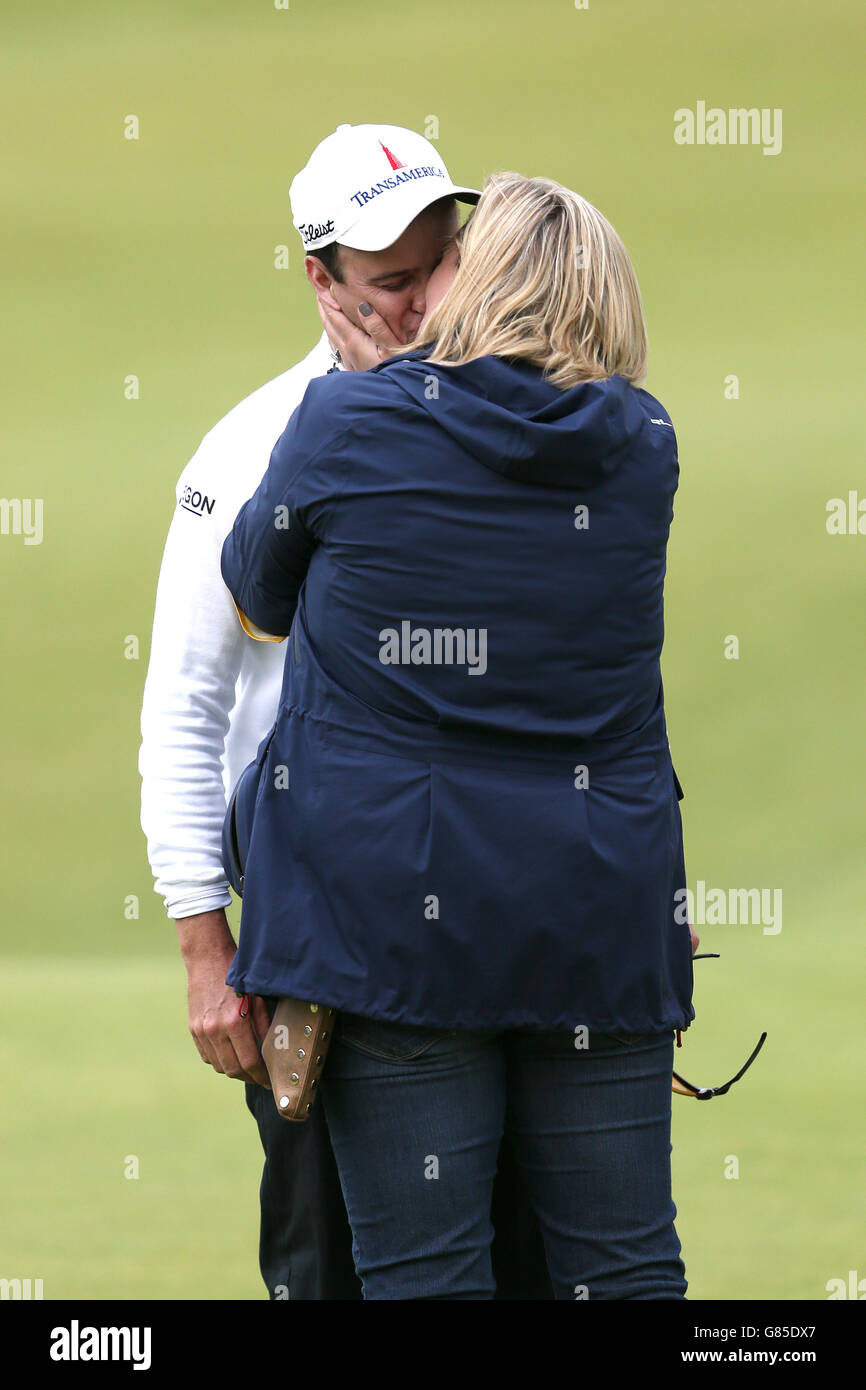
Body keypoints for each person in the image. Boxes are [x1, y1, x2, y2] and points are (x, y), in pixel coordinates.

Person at [219, 171, 697, 1300]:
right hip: (598, 916)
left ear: (475, 285)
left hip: (394, 924)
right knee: (624, 1267)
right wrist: (403, 407)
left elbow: (255, 596)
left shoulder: (346, 416)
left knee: (424, 1275)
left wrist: (376, 399)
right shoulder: (643, 446)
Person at [139, 125, 551, 1299]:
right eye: (389, 283)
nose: (425, 302)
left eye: (441, 262)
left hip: (502, 904)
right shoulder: (249, 446)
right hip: (312, 924)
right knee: (330, 1261)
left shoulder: (527, 425)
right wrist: (200, 943)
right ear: (319, 283)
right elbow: (186, 706)